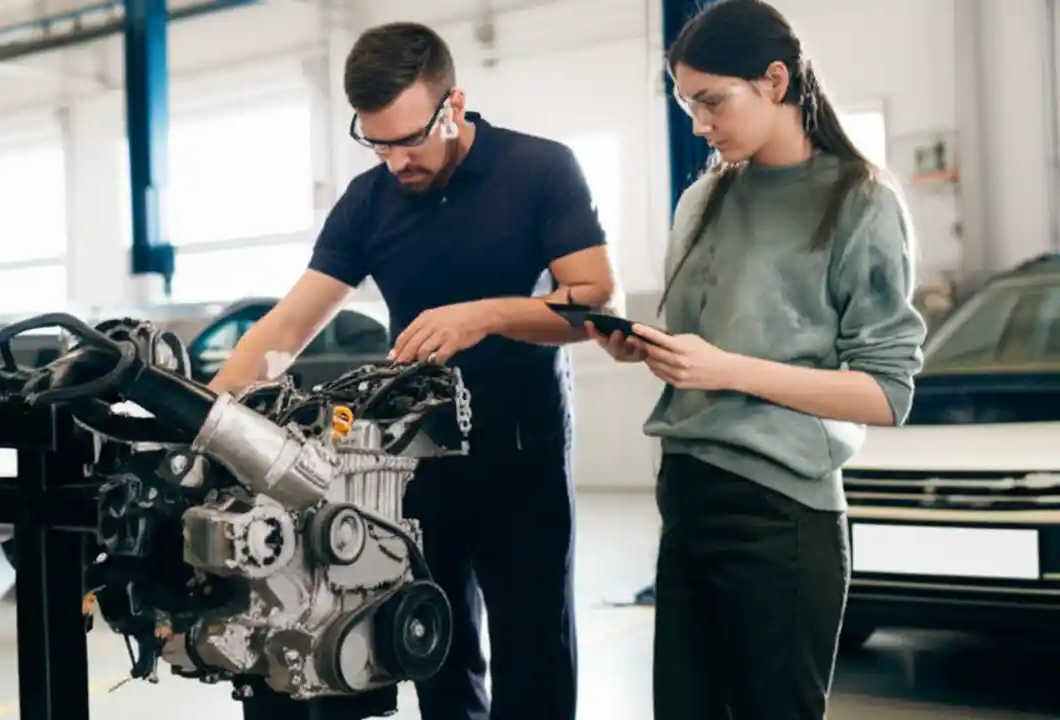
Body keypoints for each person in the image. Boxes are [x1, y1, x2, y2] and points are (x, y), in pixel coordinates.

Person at [205, 21, 616, 720]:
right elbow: (288, 326)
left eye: (410, 139)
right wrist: (210, 415)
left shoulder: (540, 170)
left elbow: (596, 298)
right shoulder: (368, 202)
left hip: (523, 456)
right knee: (433, 648)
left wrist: (483, 315)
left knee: (534, 654)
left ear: (453, 105)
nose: (397, 160)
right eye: (378, 142)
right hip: (412, 467)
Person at [587, 1, 927, 718]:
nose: (699, 124)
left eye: (712, 101)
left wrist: (726, 369)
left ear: (776, 81)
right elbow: (713, 345)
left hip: (782, 514)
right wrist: (647, 349)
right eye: (686, 104)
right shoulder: (704, 196)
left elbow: (886, 394)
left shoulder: (860, 200)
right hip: (687, 497)